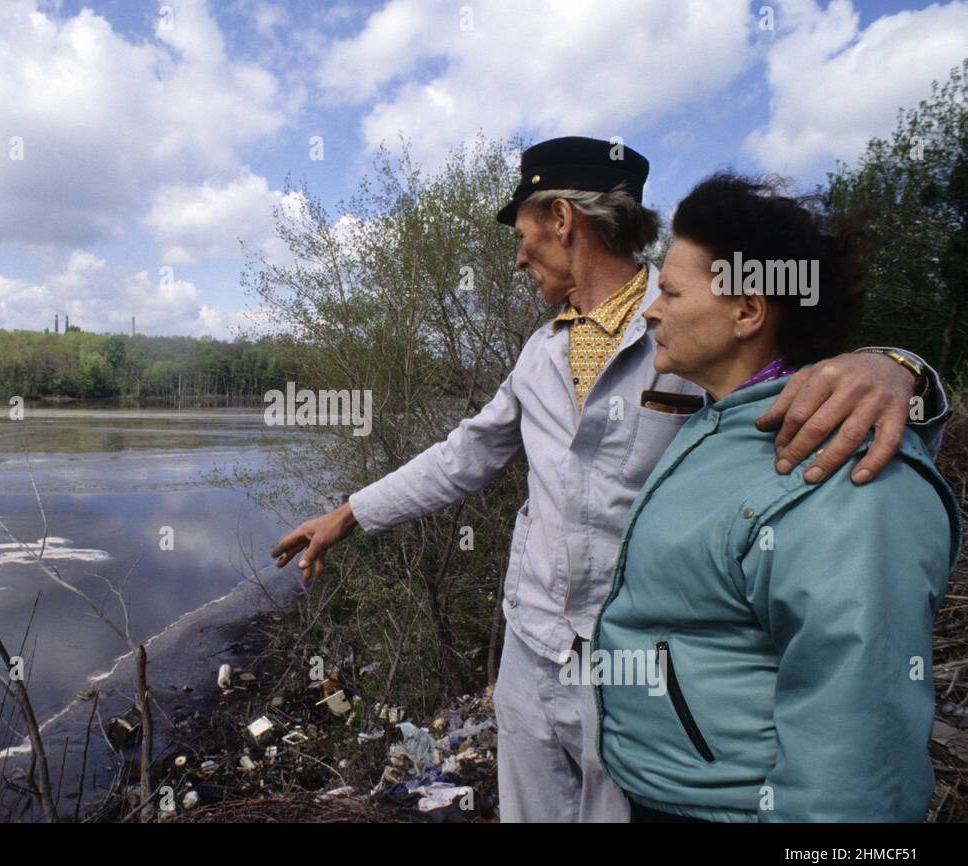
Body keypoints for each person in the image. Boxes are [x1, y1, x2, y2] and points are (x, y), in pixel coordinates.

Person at [270, 137, 949, 823]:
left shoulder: (697, 310)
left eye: (522, 230)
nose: (517, 254)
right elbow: (463, 454)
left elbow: (819, 393)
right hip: (533, 644)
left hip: (641, 665)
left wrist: (897, 366)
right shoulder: (542, 351)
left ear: (561, 218)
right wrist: (349, 514)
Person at [592, 172, 961, 822]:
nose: (650, 310)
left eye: (671, 292)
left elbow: (854, 771)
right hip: (670, 794)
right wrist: (897, 363)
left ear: (747, 311)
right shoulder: (722, 420)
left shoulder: (839, 474)